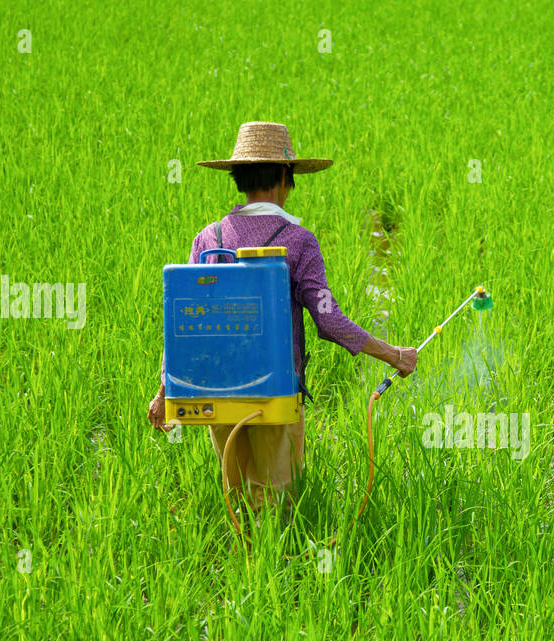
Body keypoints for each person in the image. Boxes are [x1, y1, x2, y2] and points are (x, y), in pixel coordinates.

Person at [148, 121, 417, 516]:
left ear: (239, 177)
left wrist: (163, 391)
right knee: (276, 505)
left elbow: (182, 326)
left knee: (236, 501)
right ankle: (277, 573)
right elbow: (329, 319)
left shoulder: (210, 238)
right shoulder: (299, 240)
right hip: (273, 396)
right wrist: (393, 354)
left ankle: (246, 570)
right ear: (285, 177)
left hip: (218, 395)